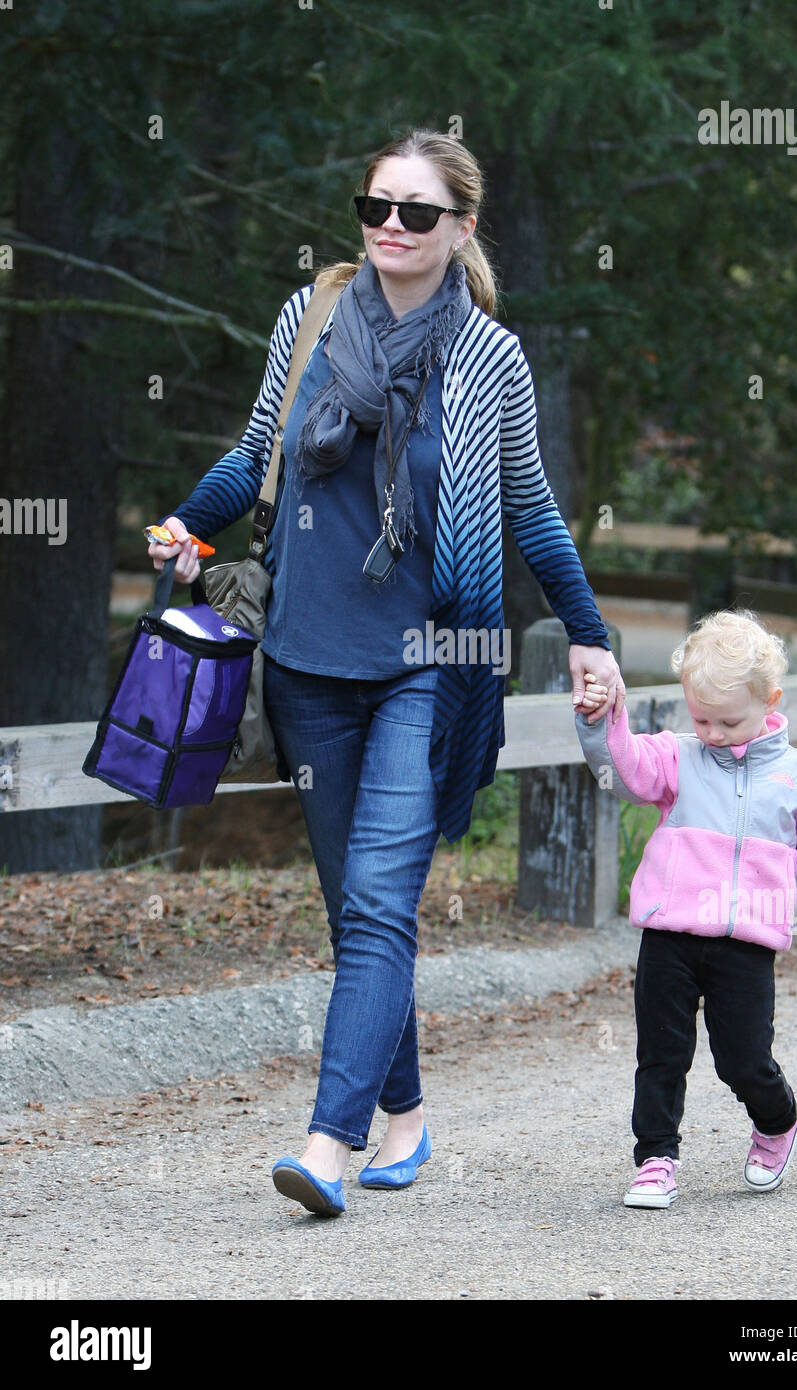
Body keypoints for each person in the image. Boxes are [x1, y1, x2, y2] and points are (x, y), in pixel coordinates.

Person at [148, 128, 624, 1217]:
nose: (391, 230)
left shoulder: (488, 361)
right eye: (375, 208)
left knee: (376, 899)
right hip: (307, 655)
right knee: (355, 908)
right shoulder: (309, 319)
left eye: (417, 213)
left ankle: (326, 1141)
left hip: (429, 661)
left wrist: (587, 633)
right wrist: (189, 516)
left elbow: (529, 511)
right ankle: (403, 1109)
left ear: (461, 229)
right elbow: (255, 448)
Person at [575, 608, 797, 1209]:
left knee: (743, 1059)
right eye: (700, 717)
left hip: (747, 944)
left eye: (728, 721)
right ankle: (655, 1157)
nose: (712, 733)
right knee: (660, 1053)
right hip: (670, 935)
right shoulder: (680, 757)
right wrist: (604, 719)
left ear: (770, 701)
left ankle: (778, 1121)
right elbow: (624, 766)